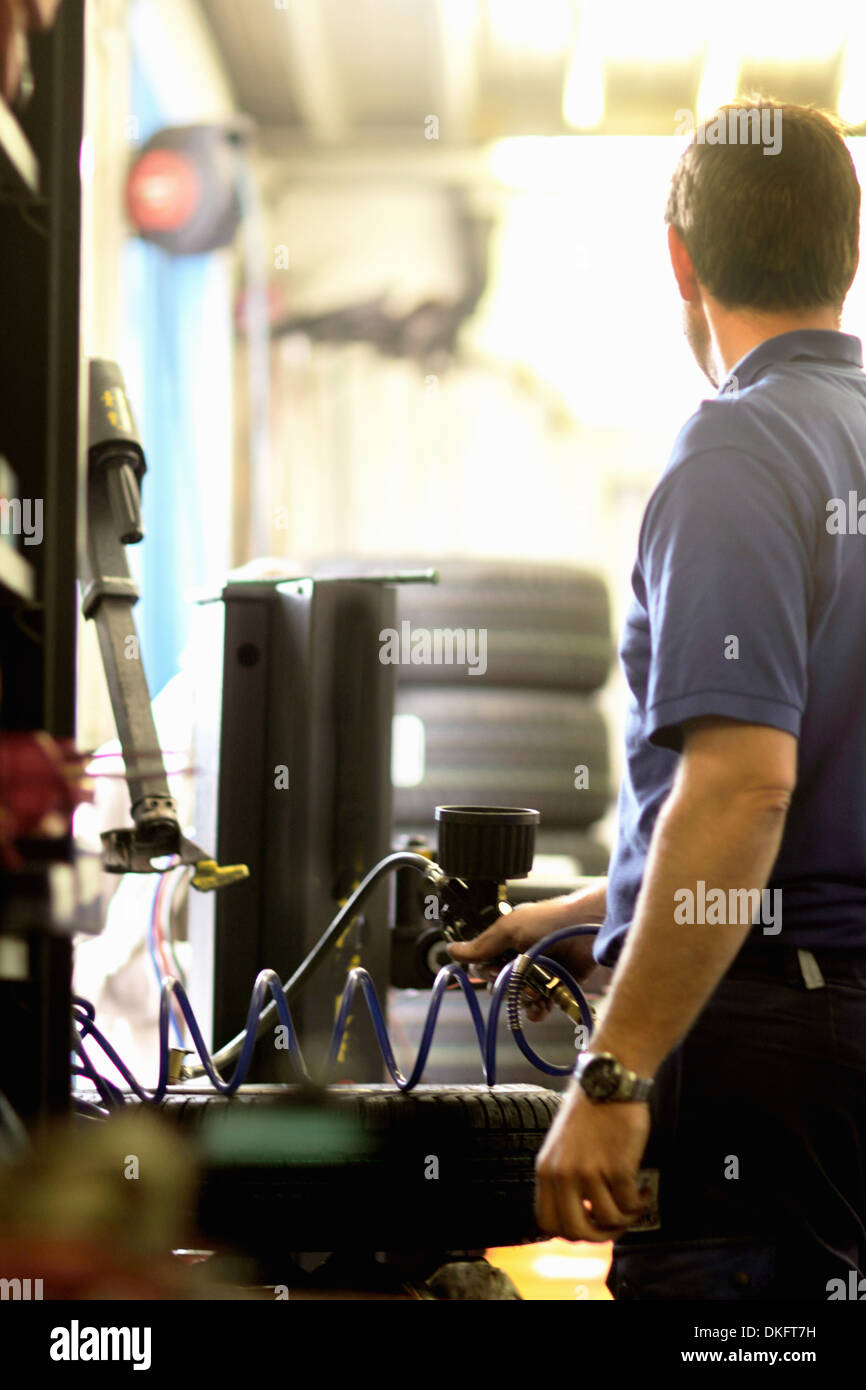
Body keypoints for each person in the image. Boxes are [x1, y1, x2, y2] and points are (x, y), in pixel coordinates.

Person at [450, 99, 866, 1302]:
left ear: (677, 259)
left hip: (759, 1059)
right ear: (848, 247)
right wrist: (599, 907)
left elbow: (745, 785)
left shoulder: (737, 450)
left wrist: (612, 1074)